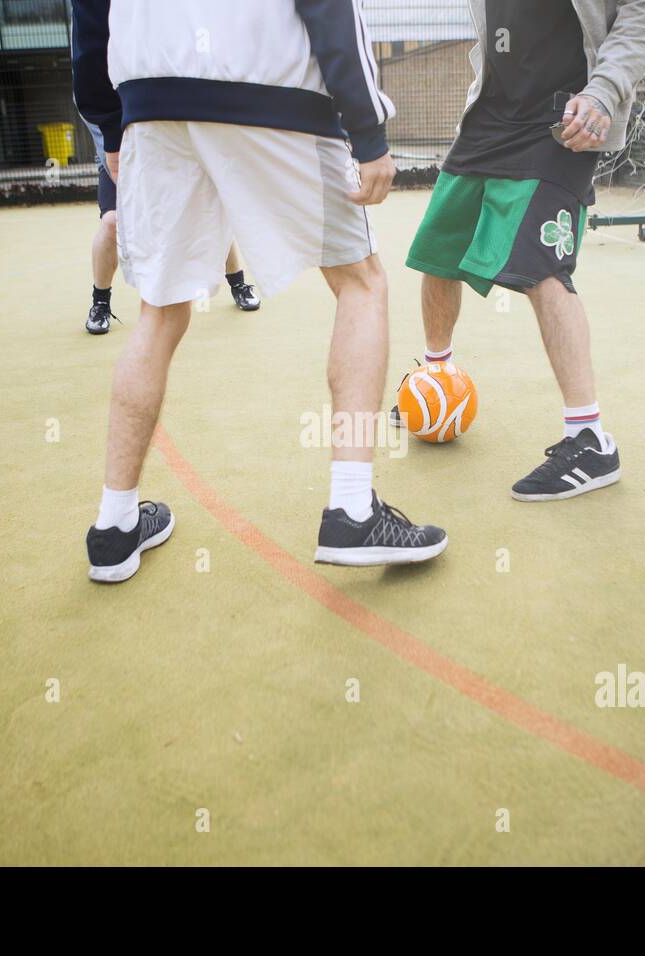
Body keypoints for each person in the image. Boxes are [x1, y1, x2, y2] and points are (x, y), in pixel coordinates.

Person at [71, 0, 448, 582]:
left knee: (159, 313)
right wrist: (368, 130)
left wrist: (108, 119)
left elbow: (89, 11)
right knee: (360, 284)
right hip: (273, 94)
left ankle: (115, 525)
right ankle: (351, 509)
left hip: (150, 104)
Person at [393, 0, 645, 501]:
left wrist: (604, 93)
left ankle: (589, 440)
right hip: (490, 114)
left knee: (543, 269)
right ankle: (437, 375)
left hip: (565, 118)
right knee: (438, 252)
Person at [81, 120, 258, 336]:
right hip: (118, 158)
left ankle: (238, 284)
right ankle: (100, 304)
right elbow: (98, 122)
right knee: (111, 222)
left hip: (169, 153)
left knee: (207, 209)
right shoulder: (94, 96)